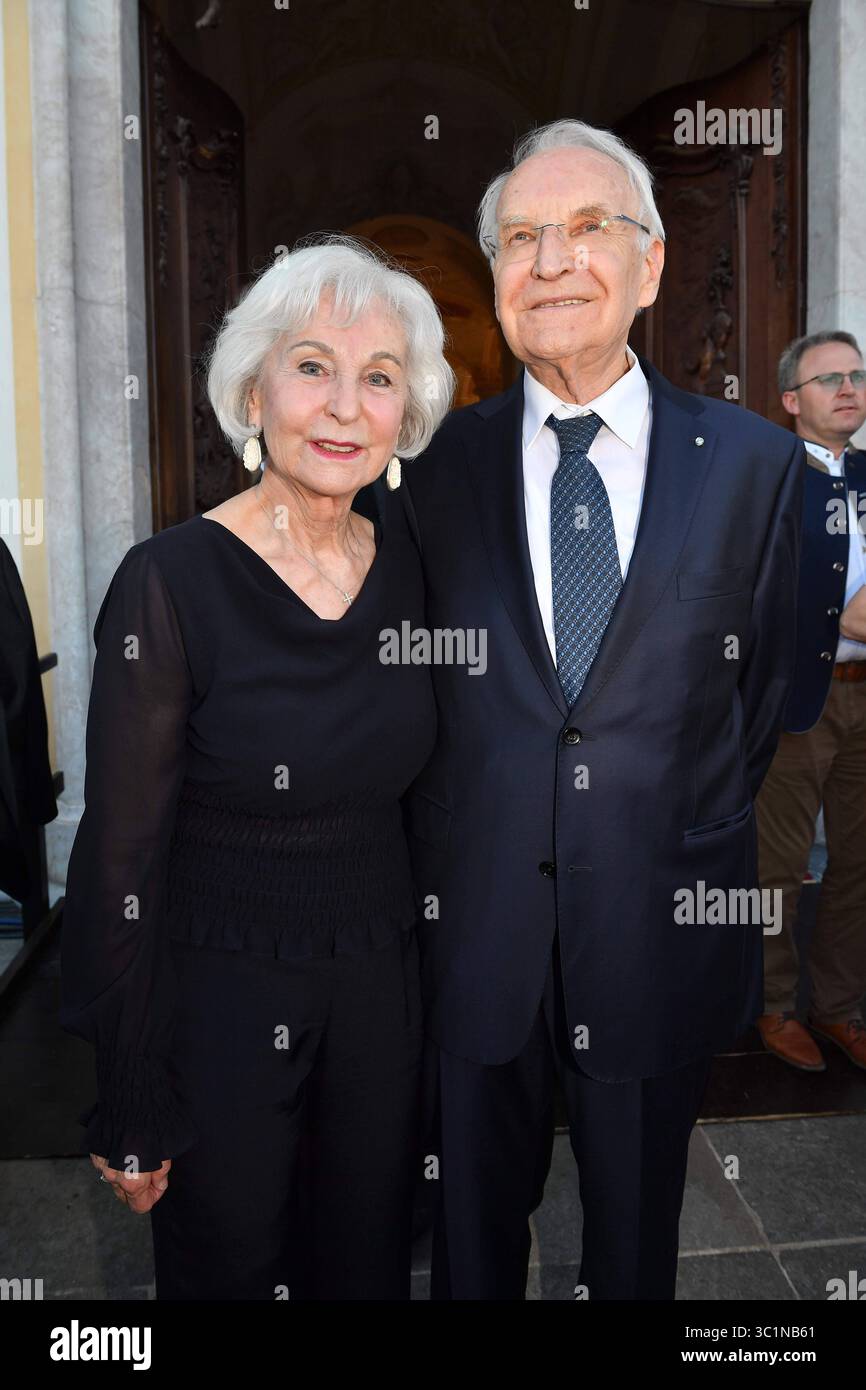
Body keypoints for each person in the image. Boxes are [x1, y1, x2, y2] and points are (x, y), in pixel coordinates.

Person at [401, 119, 804, 1300]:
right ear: (493, 279)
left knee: (633, 1244)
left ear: (652, 263)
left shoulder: (751, 465)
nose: (551, 260)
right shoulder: (430, 469)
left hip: (657, 924)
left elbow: (769, 692)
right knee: (471, 1241)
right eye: (520, 237)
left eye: (587, 229)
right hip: (475, 935)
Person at [59, 236, 454, 1300]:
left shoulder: (415, 571)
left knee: (364, 1261)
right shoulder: (169, 583)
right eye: (311, 365)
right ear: (251, 389)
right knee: (228, 1265)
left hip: (380, 986)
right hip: (218, 993)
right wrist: (131, 1088)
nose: (341, 406)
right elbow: (120, 855)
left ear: (402, 416)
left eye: (377, 378)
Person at [754, 331, 866, 1072]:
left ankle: (837, 1009)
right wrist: (840, 615)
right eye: (830, 379)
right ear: (793, 401)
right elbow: (746, 589)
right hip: (800, 698)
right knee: (778, 866)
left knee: (857, 862)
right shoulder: (764, 478)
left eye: (857, 376)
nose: (849, 389)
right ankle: (770, 1004)